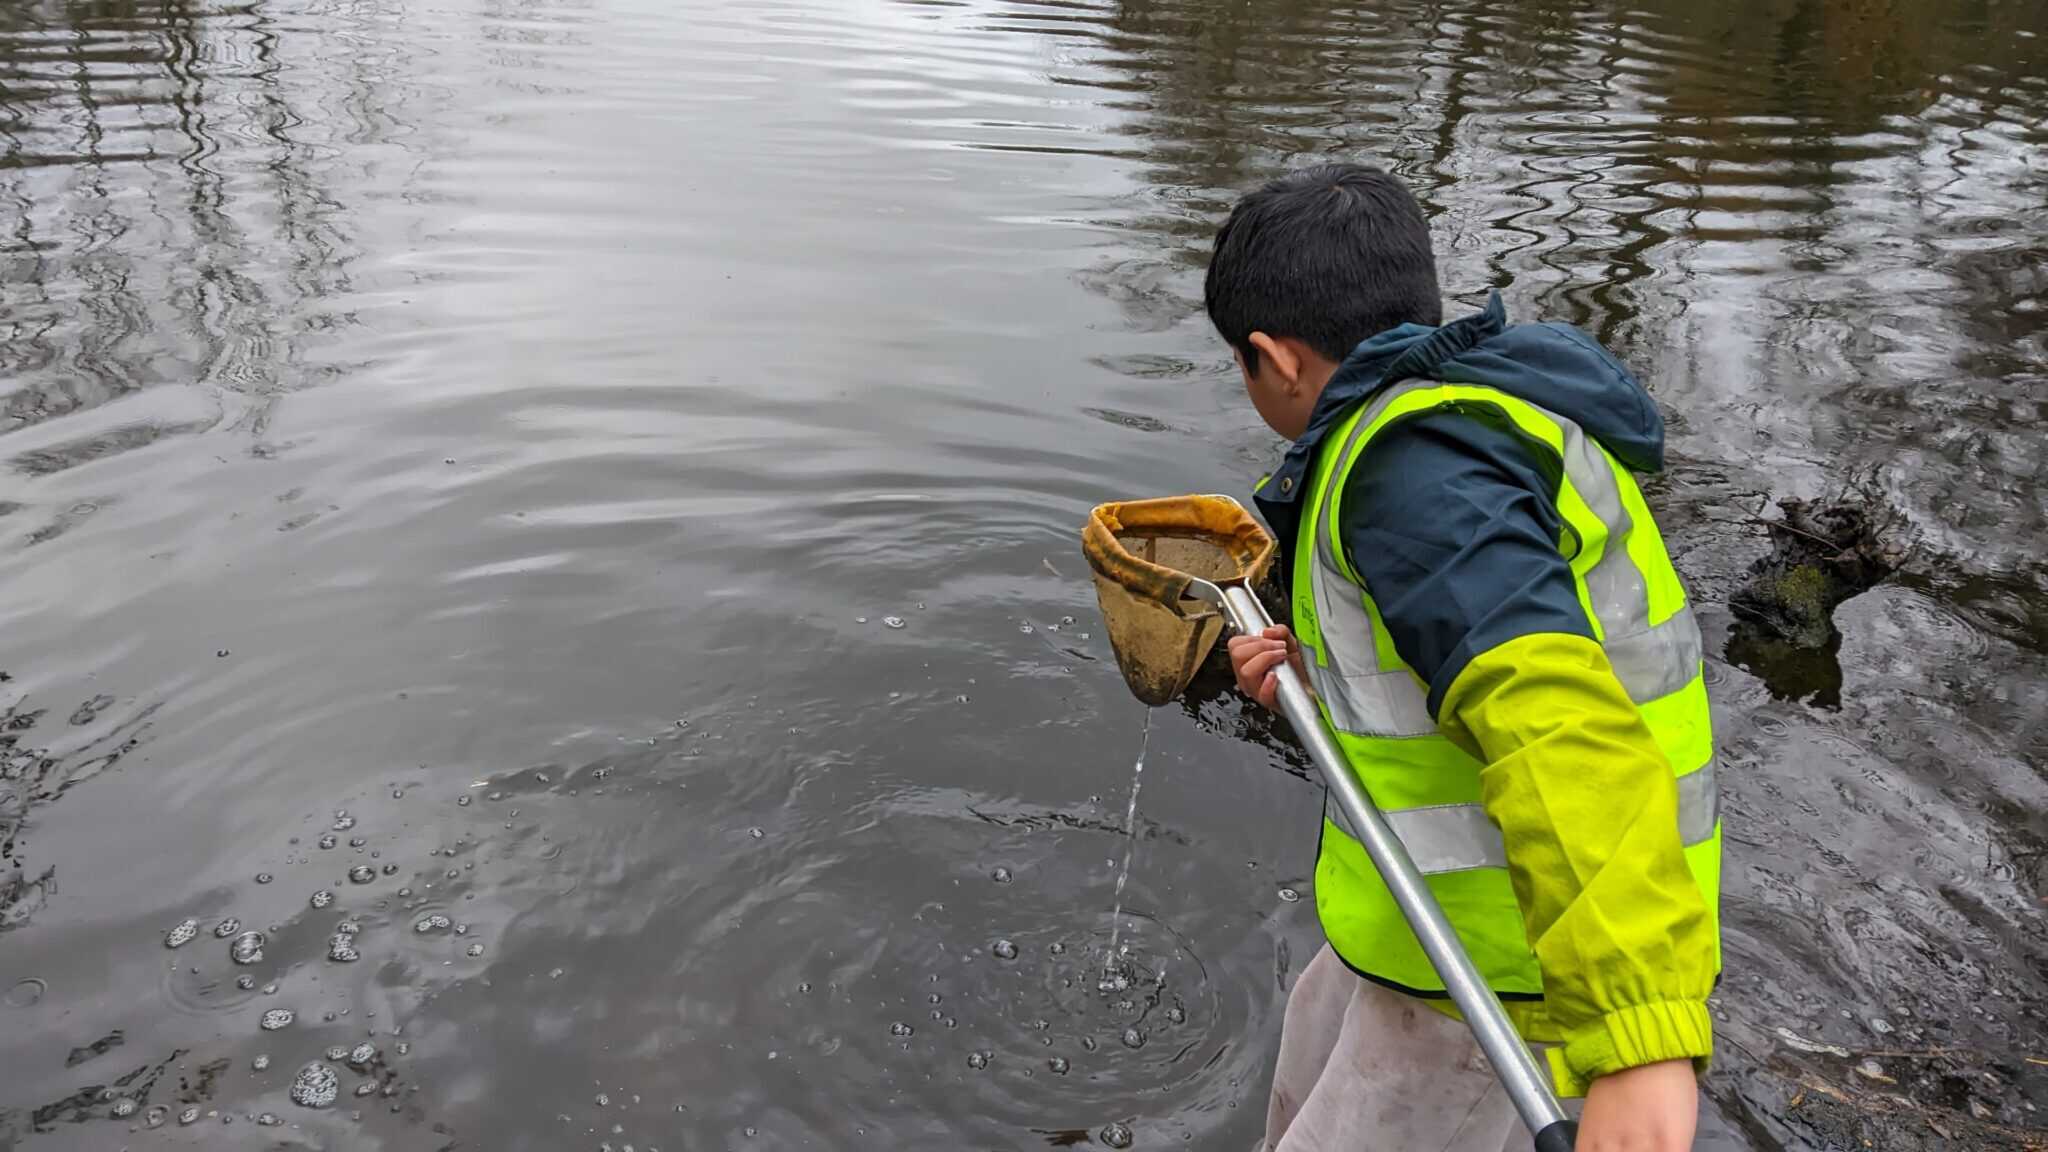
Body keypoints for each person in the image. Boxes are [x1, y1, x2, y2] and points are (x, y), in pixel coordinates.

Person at [1209, 163, 1720, 1152]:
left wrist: (1638, 1040)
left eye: (1239, 363)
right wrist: (1317, 684)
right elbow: (1456, 648)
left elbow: (1553, 718)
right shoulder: (1450, 411)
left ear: (1275, 358)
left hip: (1508, 955)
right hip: (1419, 928)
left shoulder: (1416, 477)